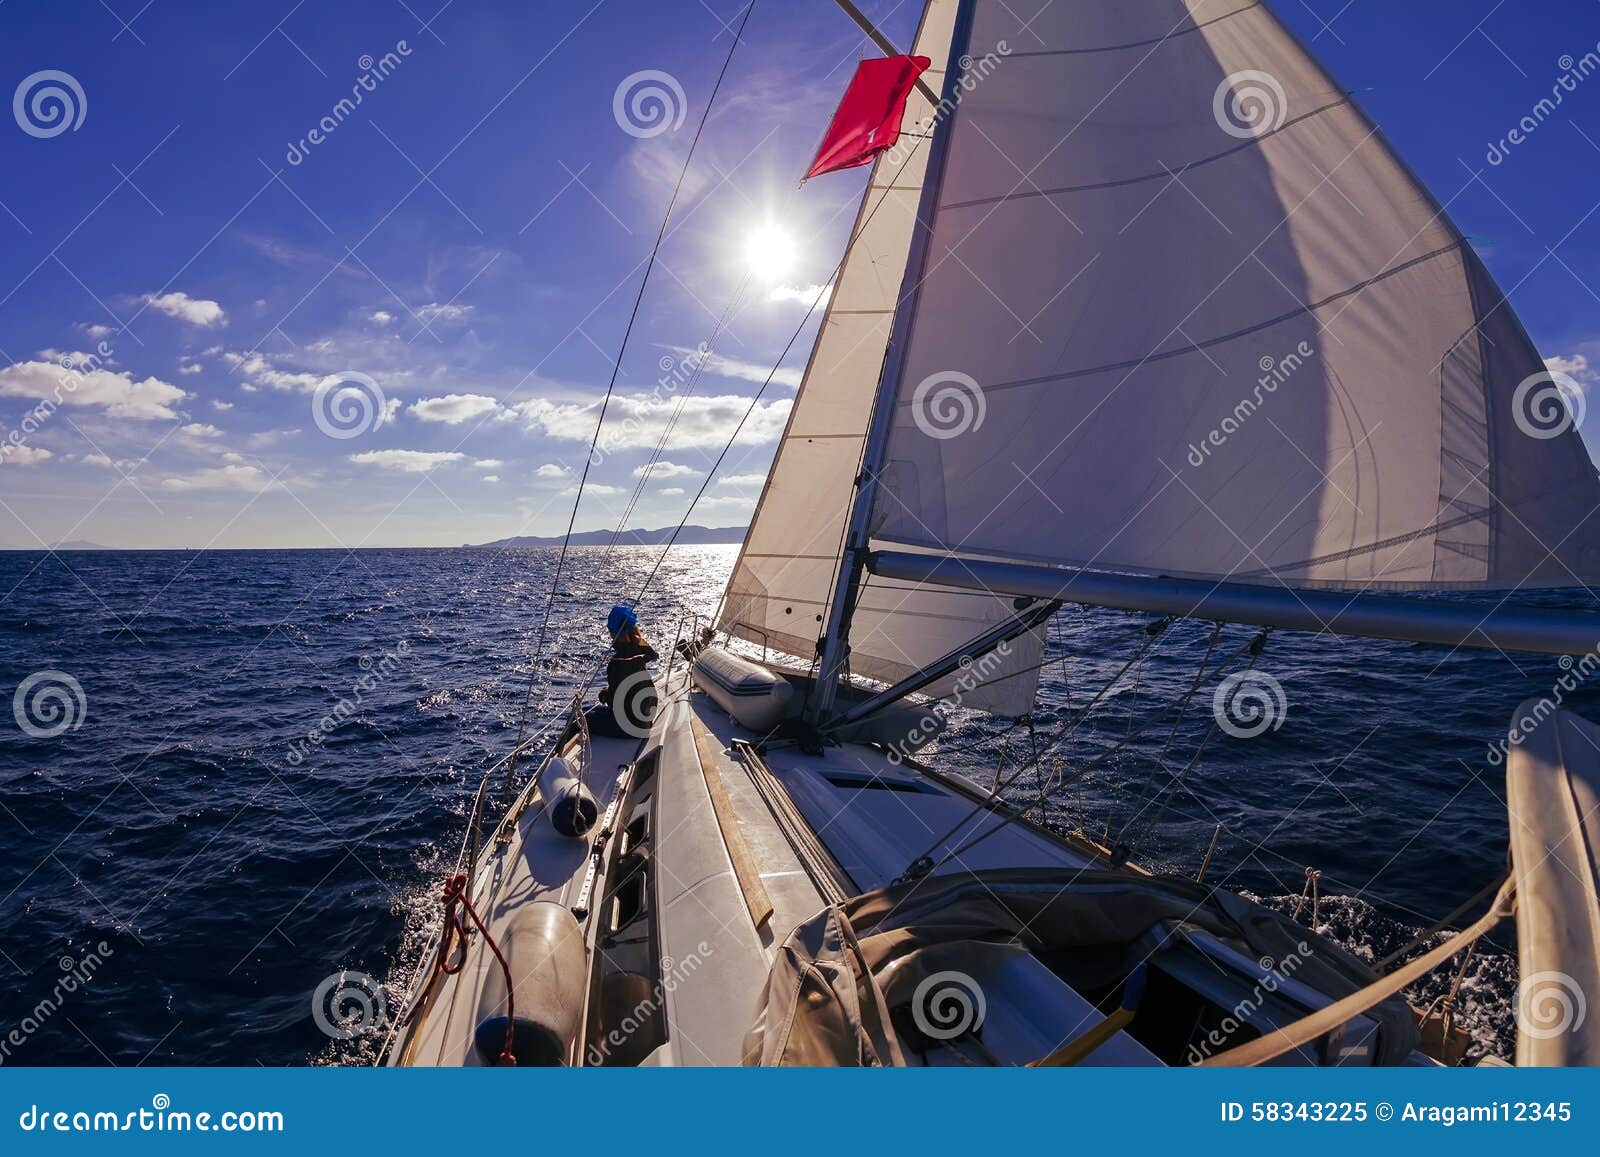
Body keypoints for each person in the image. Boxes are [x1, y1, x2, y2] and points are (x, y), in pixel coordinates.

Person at [596, 604, 658, 736]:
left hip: (629, 728)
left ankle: (557, 757)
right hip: (646, 722)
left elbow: (614, 702)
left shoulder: (617, 662)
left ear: (614, 633)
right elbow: (653, 655)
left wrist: (605, 695)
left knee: (578, 717)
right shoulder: (642, 654)